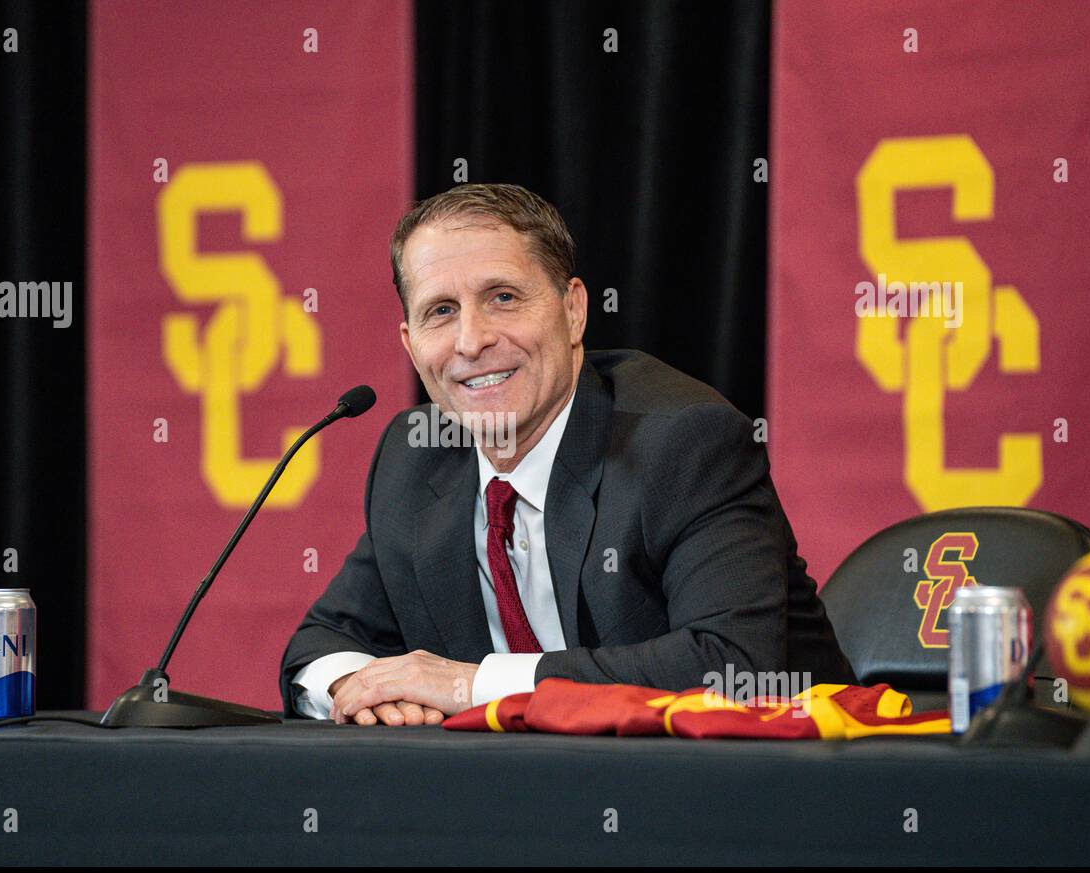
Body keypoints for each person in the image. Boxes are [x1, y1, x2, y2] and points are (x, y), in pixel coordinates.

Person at [278, 183, 855, 724]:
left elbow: (733, 666)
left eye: (503, 298)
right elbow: (321, 645)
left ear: (573, 310)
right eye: (441, 311)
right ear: (410, 343)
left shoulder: (683, 442)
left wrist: (472, 686)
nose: (471, 341)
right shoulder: (416, 460)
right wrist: (360, 690)